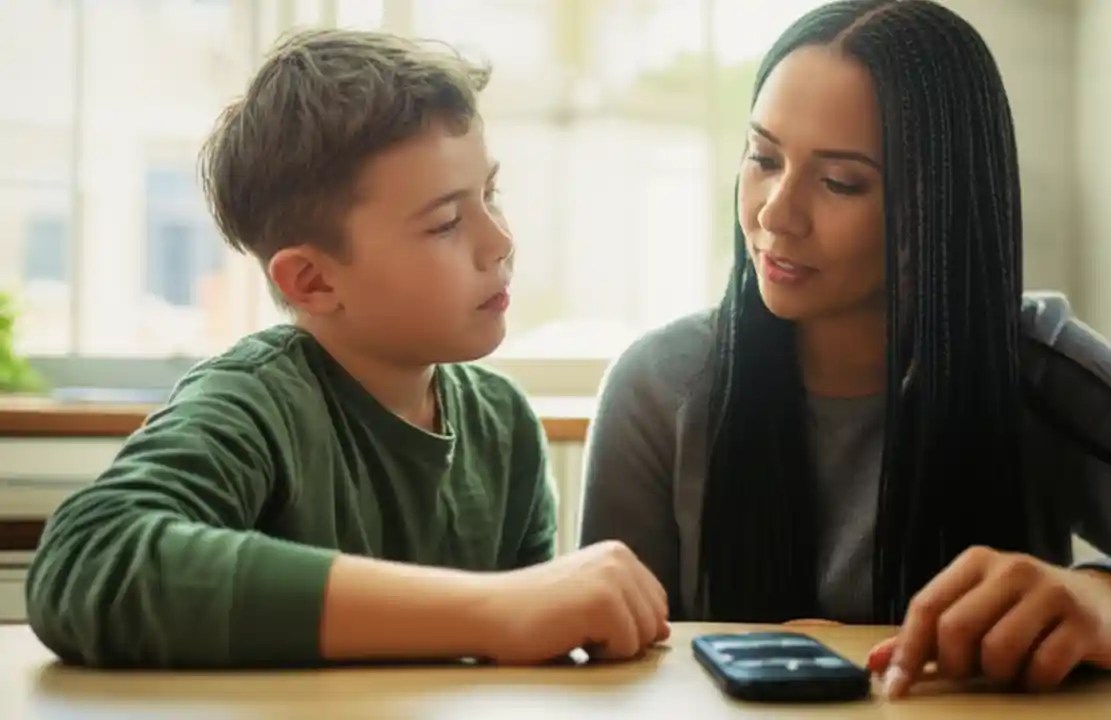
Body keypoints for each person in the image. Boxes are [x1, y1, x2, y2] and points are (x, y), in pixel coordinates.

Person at [579, 0, 1111, 699]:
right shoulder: (659, 387)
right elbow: (611, 672)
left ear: (938, 202)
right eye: (763, 158)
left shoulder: (1036, 369)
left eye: (839, 182)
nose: (774, 212)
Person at [26, 28, 667, 669]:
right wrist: (492, 610)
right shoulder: (254, 403)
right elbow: (89, 558)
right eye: (445, 222)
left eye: (489, 195)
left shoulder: (504, 427)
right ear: (313, 280)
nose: (498, 240)